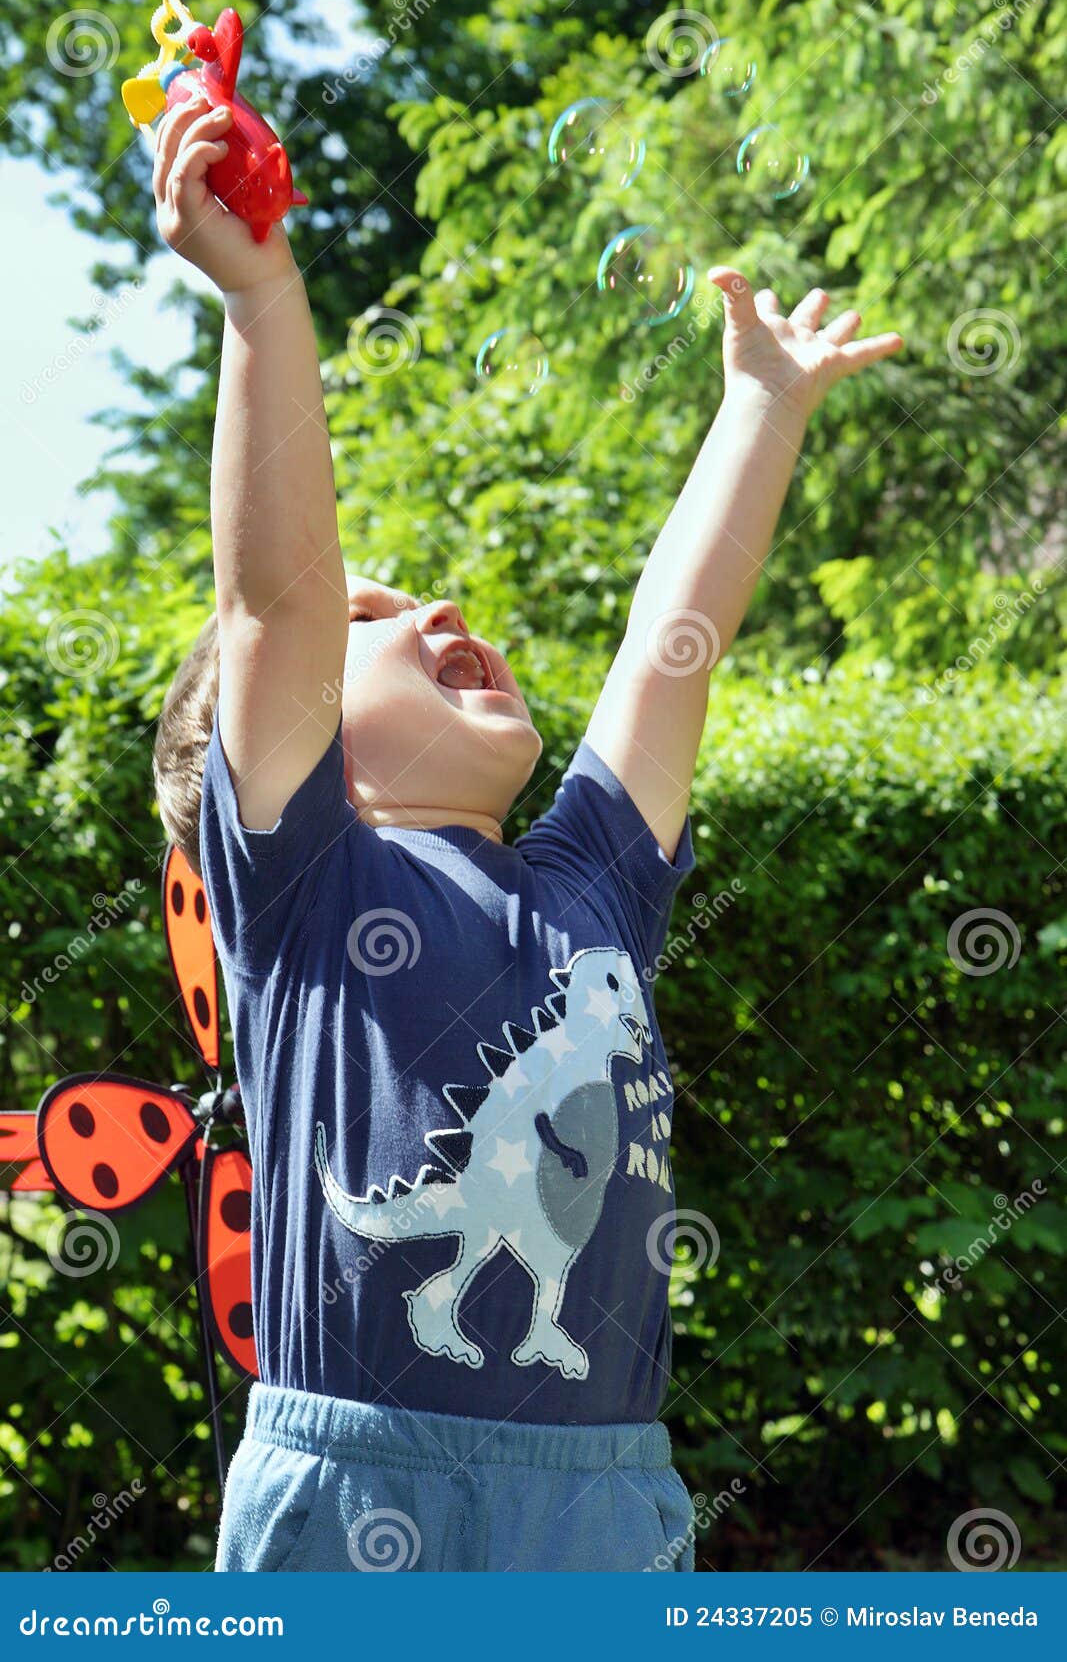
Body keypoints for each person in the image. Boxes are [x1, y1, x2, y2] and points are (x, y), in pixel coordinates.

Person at [151, 94, 902, 1572]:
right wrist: (263, 293)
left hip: (602, 1506)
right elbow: (276, 599)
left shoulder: (592, 882)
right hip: (356, 1491)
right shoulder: (306, 882)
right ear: (300, 734)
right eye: (379, 613)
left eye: (430, 602)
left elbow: (669, 642)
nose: (439, 611)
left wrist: (762, 410)